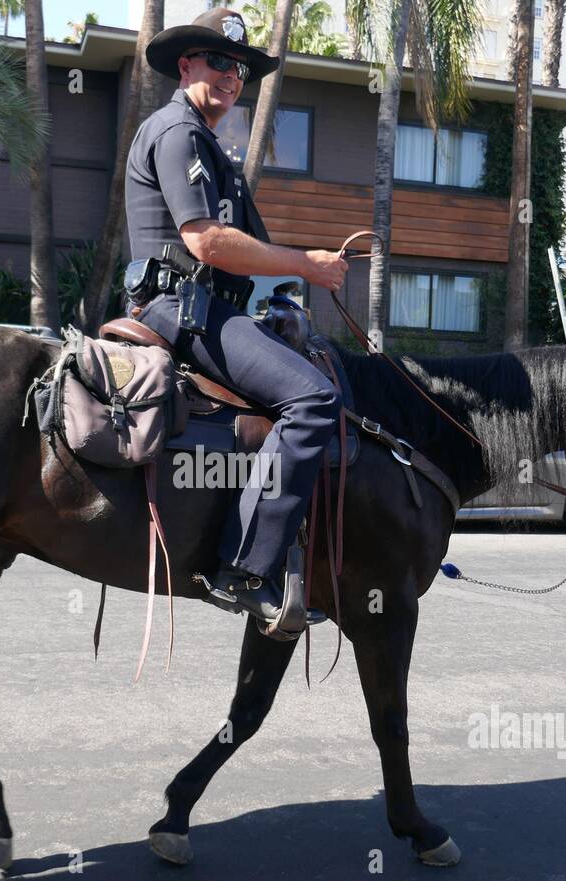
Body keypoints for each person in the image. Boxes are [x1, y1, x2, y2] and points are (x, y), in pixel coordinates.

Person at [123, 6, 349, 630]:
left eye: (242, 69)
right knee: (313, 400)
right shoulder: (178, 133)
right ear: (186, 64)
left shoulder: (215, 152)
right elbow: (206, 242)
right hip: (180, 311)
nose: (232, 76)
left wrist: (287, 288)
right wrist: (308, 265)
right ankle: (243, 568)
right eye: (219, 62)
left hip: (208, 308)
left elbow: (245, 255)